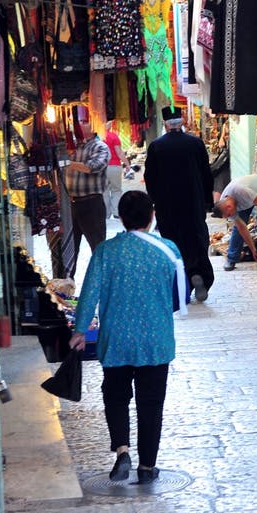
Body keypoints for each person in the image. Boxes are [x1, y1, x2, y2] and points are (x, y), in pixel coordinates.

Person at [69, 191, 184, 485]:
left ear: (120, 218)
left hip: (116, 339)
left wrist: (80, 330)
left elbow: (89, 293)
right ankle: (147, 466)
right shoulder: (168, 249)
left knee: (116, 397)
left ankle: (122, 449)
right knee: (151, 403)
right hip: (155, 341)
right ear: (152, 216)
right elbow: (179, 298)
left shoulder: (106, 252)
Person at [144, 106, 215, 303]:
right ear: (181, 121)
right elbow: (206, 175)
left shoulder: (157, 146)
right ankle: (199, 275)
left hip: (168, 208)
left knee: (175, 245)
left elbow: (150, 178)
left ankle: (183, 283)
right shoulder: (195, 143)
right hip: (193, 205)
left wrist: (156, 202)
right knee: (196, 241)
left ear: (165, 124)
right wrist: (207, 201)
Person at [64, 110, 111, 278]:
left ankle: (103, 283)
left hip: (91, 204)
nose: (79, 125)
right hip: (71, 204)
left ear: (93, 125)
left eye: (84, 121)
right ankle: (66, 285)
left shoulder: (100, 147)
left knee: (98, 248)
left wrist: (68, 163)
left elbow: (94, 166)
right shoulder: (74, 146)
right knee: (69, 249)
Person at [213, 173, 257, 271]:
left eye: (229, 215)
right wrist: (253, 249)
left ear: (229, 207)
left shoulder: (240, 191)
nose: (231, 216)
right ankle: (232, 258)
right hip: (245, 201)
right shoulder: (226, 205)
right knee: (237, 228)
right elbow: (242, 228)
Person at [103, 120, 129, 218]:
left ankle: (106, 214)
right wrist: (127, 164)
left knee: (104, 191)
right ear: (109, 126)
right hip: (114, 166)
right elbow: (119, 152)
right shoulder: (113, 136)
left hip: (102, 168)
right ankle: (116, 212)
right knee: (116, 190)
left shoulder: (97, 137)